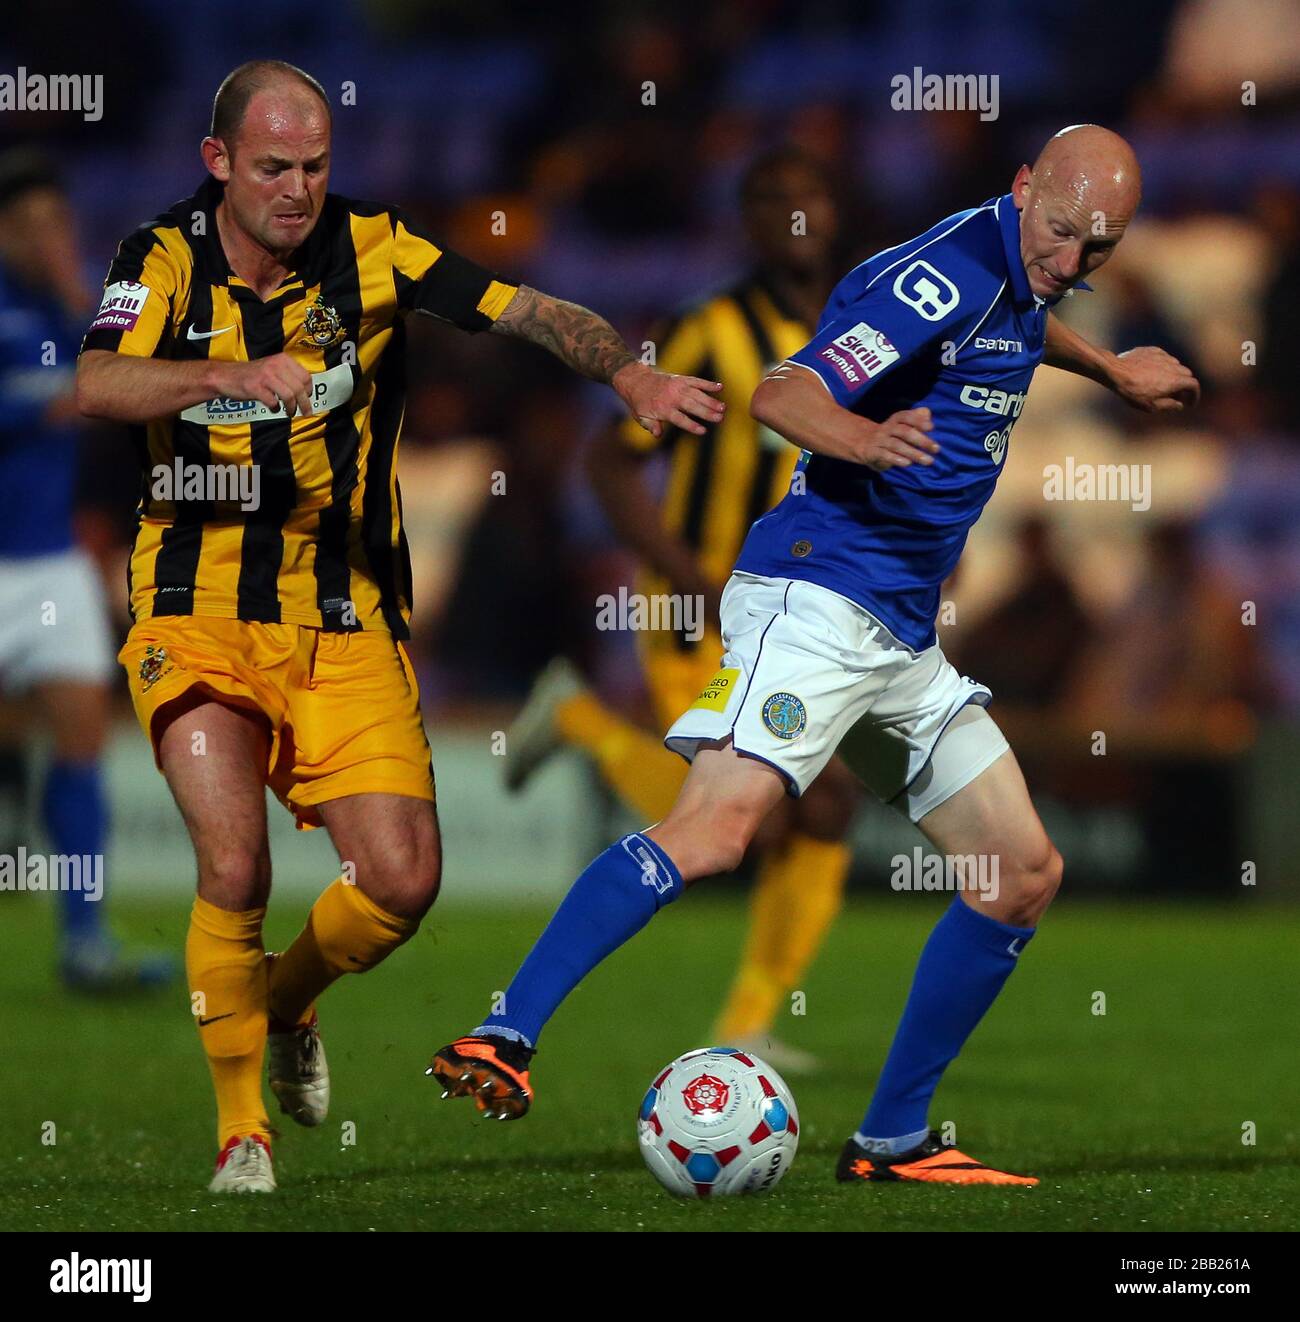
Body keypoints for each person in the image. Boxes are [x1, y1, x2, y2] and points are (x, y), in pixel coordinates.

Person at [431, 125, 1200, 1187]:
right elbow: (784, 393)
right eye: (1060, 231)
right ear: (1022, 186)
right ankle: (502, 1031)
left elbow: (1021, 323)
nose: (1067, 265)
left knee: (1019, 871)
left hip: (899, 633)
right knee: (713, 831)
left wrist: (1108, 367)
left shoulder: (1015, 267)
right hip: (817, 597)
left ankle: (891, 1142)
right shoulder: (939, 279)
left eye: (1096, 249)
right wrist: (860, 439)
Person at [75, 59, 723, 1194]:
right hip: (195, 604)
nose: (298, 189)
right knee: (232, 864)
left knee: (402, 883)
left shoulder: (373, 247)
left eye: (316, 165)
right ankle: (243, 1135)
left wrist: (624, 372)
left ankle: (280, 1002)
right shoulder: (160, 257)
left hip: (342, 612)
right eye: (273, 166)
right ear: (218, 162)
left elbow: (527, 310)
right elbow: (97, 383)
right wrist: (228, 370)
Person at [503, 147, 858, 1072]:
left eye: (808, 190)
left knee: (824, 809)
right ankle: (581, 720)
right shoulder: (708, 330)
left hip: (810, 612)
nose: (794, 211)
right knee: (761, 814)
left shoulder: (866, 326)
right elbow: (611, 460)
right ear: (745, 222)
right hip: (703, 610)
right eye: (772, 196)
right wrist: (686, 568)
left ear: (835, 205)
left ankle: (746, 1022)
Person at [0, 148, 173, 992]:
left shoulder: (71, 316)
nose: (47, 237)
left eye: (58, 222)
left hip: (50, 563)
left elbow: (123, 388)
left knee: (81, 734)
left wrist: (76, 306)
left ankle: (84, 939)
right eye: (29, 224)